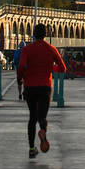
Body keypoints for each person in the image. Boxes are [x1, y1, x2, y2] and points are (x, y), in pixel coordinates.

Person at [15, 24, 66, 159]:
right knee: (42, 116)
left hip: (30, 86)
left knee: (32, 117)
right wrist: (50, 70)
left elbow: (21, 65)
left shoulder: (27, 49)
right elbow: (63, 68)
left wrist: (20, 77)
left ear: (34, 34)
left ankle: (32, 148)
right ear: (45, 34)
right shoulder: (51, 49)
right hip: (45, 86)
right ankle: (42, 130)